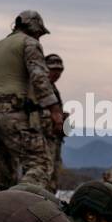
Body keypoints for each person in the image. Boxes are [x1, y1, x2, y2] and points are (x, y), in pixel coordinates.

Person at [0, 10, 62, 189]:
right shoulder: (29, 43)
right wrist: (55, 111)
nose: (39, 38)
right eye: (39, 34)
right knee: (40, 164)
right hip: (13, 113)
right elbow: (39, 78)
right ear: (34, 28)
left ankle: (2, 212)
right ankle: (24, 202)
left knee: (4, 176)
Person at [43, 53, 67, 191]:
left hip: (54, 139)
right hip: (43, 139)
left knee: (53, 177)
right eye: (53, 70)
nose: (57, 74)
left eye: (59, 71)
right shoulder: (41, 87)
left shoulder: (53, 89)